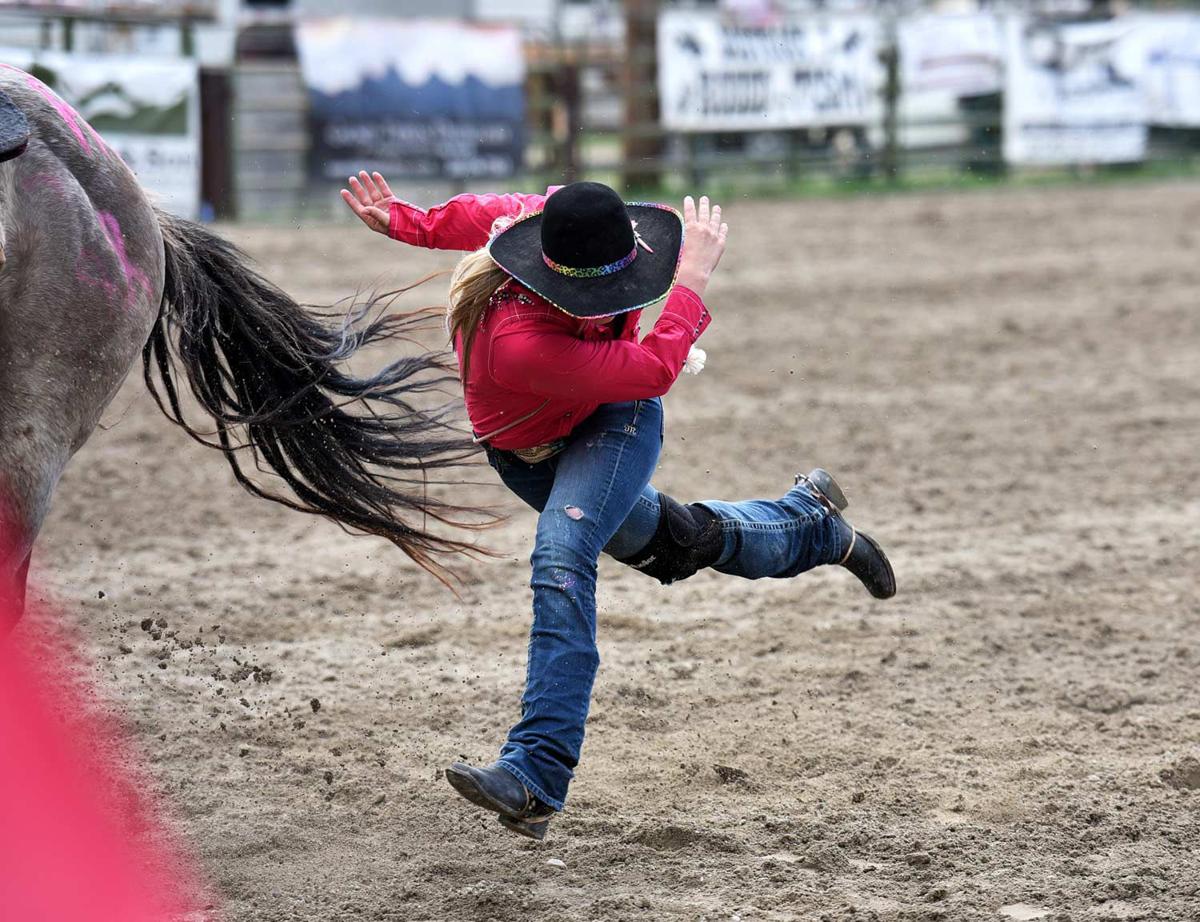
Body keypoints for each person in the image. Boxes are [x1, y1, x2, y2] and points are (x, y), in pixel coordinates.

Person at [341, 174, 896, 841]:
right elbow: (653, 358)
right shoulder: (523, 337)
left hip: (612, 419)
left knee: (561, 555)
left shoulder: (573, 228)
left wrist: (405, 220)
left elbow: (649, 370)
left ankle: (535, 773)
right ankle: (812, 524)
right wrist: (691, 281)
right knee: (679, 547)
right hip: (534, 451)